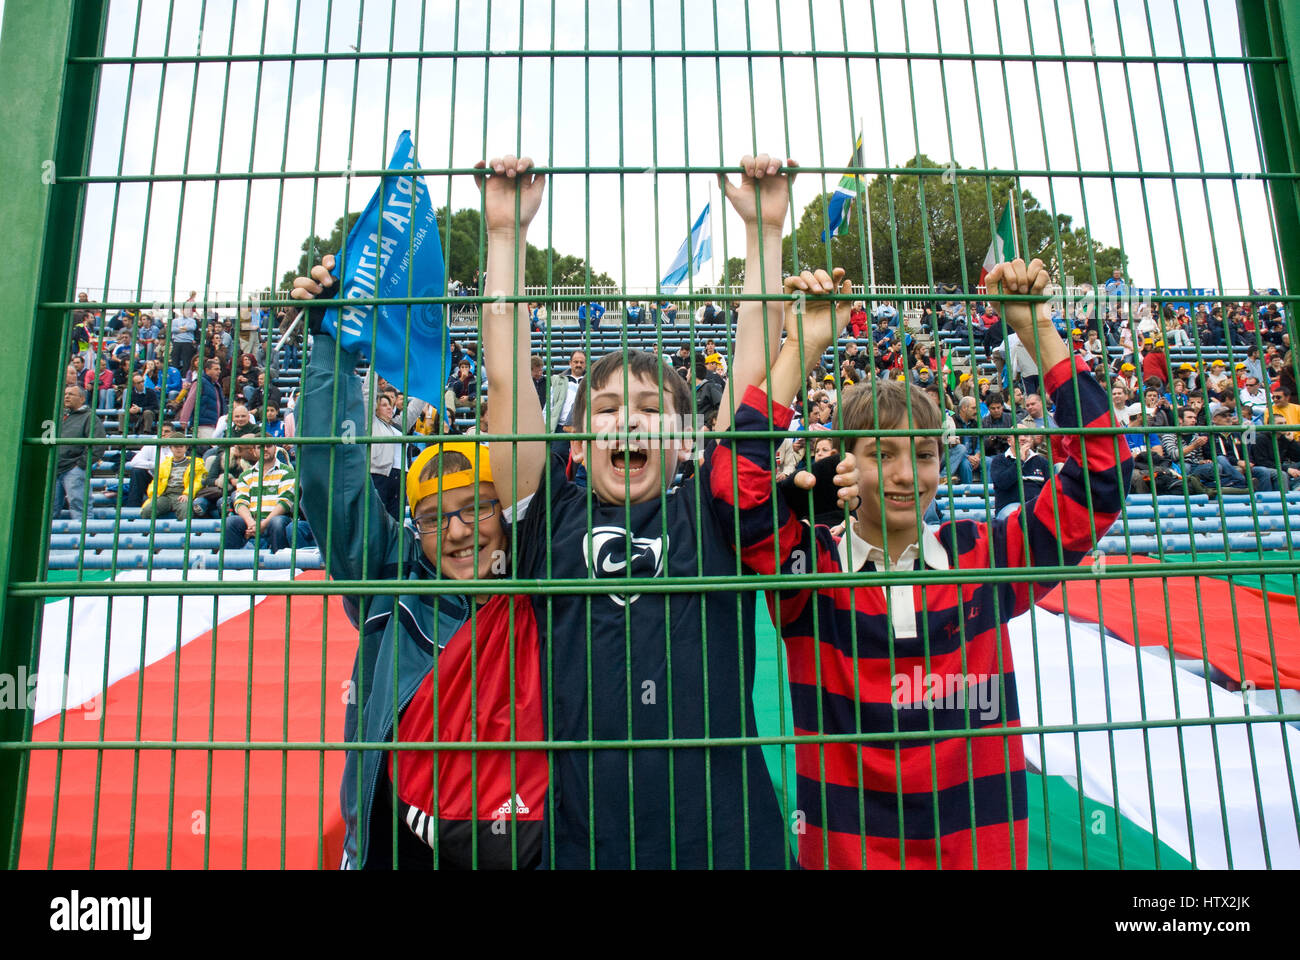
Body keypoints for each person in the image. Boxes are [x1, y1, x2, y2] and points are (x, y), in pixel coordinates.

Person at [709, 257, 1133, 869]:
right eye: (882, 454)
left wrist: (1036, 331)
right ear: (845, 465)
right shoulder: (811, 570)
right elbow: (734, 491)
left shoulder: (984, 556)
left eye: (927, 455)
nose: (909, 475)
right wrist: (804, 348)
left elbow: (1104, 476)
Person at [475, 152, 804, 868]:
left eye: (652, 409)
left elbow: (749, 376)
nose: (628, 421)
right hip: (578, 844)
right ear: (577, 437)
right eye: (608, 408)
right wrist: (505, 237)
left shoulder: (712, 510)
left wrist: (764, 233)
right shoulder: (547, 516)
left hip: (725, 841)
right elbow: (505, 378)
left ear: (687, 439)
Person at [291, 260, 548, 870]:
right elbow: (333, 480)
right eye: (435, 517)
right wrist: (330, 346)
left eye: (477, 508)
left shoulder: (540, 578)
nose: (459, 531)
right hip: (396, 839)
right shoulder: (390, 578)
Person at [223, 441, 313, 552]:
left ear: (275, 448)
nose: (265, 449)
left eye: (269, 446)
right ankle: (231, 565)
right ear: (253, 451)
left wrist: (264, 524)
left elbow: (285, 502)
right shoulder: (245, 475)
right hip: (252, 521)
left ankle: (278, 564)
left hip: (276, 519)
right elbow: (240, 502)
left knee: (277, 522)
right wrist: (251, 523)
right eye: (259, 446)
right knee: (230, 522)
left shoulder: (287, 472)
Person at [54, 386, 108, 522]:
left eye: (71, 394)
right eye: (65, 394)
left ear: (82, 399)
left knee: (80, 509)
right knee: (49, 509)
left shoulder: (90, 417)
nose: (66, 397)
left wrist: (81, 464)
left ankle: (85, 540)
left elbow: (98, 445)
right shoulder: (59, 416)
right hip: (55, 468)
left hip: (74, 469)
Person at [989, 422, 1051, 520]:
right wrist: (1020, 461)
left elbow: (1049, 490)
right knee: (1015, 516)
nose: (1022, 438)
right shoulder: (999, 461)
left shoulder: (1042, 462)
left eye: (1026, 435)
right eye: (1017, 435)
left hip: (1036, 509)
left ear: (1031, 439)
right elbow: (1003, 483)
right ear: (1009, 441)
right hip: (1009, 510)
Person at [139, 438, 206, 519]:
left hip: (182, 495)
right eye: (175, 446)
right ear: (170, 448)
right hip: (166, 495)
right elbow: (156, 481)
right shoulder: (164, 464)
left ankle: (184, 531)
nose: (178, 449)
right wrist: (153, 493)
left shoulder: (196, 464)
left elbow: (198, 482)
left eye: (181, 446)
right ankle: (148, 531)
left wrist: (187, 494)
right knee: (148, 510)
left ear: (186, 448)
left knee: (186, 510)